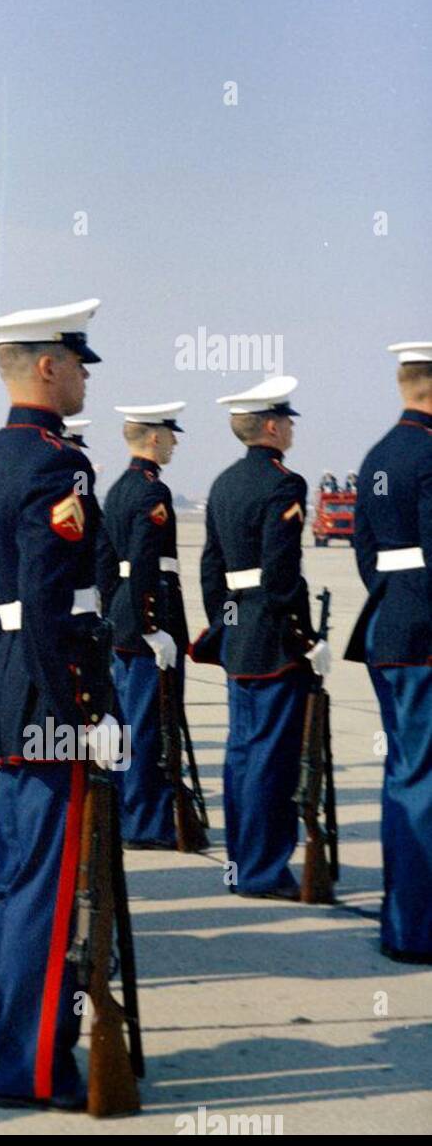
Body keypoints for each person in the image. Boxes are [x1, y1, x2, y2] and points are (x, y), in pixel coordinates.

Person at [0, 298, 118, 1111]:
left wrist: (1, 684)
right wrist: (84, 715)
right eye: (80, 361)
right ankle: (27, 1068)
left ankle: (3, 1056)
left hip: (16, 698)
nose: (87, 375)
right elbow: (55, 610)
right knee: (44, 894)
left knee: (17, 884)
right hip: (56, 704)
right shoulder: (59, 466)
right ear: (47, 366)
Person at [192, 375, 330, 900]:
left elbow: (212, 568)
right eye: (287, 419)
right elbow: (281, 576)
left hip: (239, 639)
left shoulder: (224, 482)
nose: (291, 428)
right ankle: (264, 870)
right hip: (273, 642)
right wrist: (306, 638)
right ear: (271, 426)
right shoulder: (283, 483)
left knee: (243, 755)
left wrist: (227, 623)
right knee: (271, 759)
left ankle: (243, 861)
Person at [344, 341, 432, 962]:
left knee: (406, 774)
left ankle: (404, 919)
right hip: (424, 633)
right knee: (423, 780)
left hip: (388, 627)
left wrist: (395, 599)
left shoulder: (378, 455)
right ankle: (416, 928)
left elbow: (364, 549)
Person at [96, 402, 189, 848]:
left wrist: (118, 613)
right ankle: (146, 822)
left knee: (131, 723)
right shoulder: (153, 492)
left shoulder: (117, 489)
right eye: (170, 434)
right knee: (150, 725)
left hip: (123, 618)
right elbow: (148, 561)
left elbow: (105, 562)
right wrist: (153, 625)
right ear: (153, 437)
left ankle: (131, 811)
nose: (174, 442)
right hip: (151, 622)